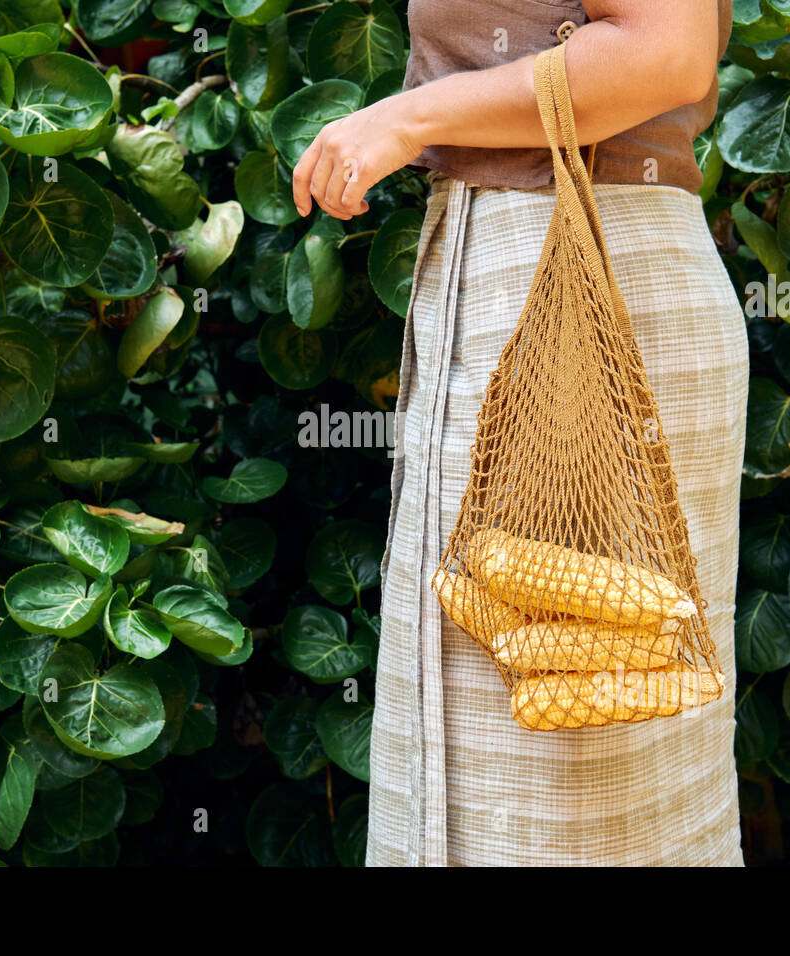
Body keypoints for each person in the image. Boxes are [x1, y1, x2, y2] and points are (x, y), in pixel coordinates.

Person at [292, 0, 747, 866]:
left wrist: (408, 114)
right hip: (531, 271)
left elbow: (666, 53)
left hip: (580, 293)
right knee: (531, 747)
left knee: (577, 781)